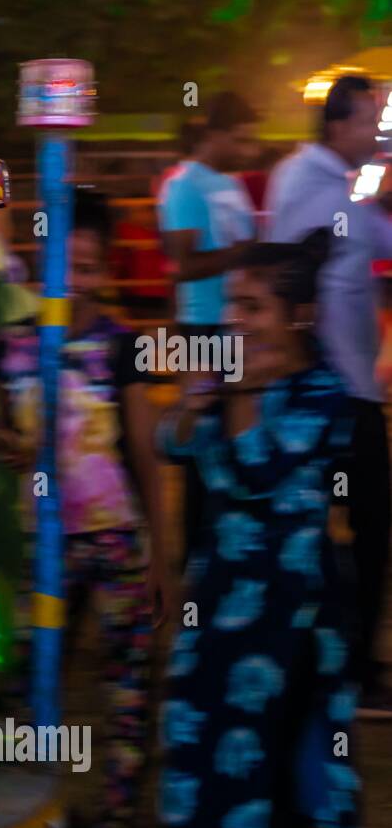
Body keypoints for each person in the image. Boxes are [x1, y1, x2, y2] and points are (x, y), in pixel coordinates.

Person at [156, 232, 364, 828]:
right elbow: (173, 443)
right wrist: (193, 406)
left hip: (296, 620)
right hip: (223, 617)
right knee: (274, 755)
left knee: (268, 769)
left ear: (299, 314)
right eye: (233, 304)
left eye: (253, 305)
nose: (236, 319)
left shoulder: (323, 397)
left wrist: (235, 394)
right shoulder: (234, 381)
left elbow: (254, 468)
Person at [0, 190, 172, 828]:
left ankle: (115, 825)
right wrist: (6, 443)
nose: (82, 272)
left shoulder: (125, 347)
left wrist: (161, 559)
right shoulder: (13, 346)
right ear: (47, 260)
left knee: (126, 690)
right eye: (71, 258)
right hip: (45, 551)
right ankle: (32, 816)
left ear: (106, 267)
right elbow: (4, 431)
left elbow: (146, 455)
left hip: (118, 541)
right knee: (35, 677)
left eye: (94, 261)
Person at [267, 75, 392, 716]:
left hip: (348, 391)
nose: (377, 132)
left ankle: (340, 662)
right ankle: (348, 671)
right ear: (338, 124)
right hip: (333, 394)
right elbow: (291, 273)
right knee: (353, 530)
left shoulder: (340, 184)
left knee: (347, 530)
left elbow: (376, 246)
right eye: (370, 120)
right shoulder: (309, 182)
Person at [158, 91, 259, 564]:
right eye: (240, 140)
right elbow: (183, 264)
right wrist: (243, 254)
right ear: (215, 134)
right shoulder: (183, 186)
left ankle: (224, 551)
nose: (248, 150)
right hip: (198, 332)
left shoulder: (230, 183)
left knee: (234, 441)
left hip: (233, 329)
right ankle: (193, 562)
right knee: (200, 450)